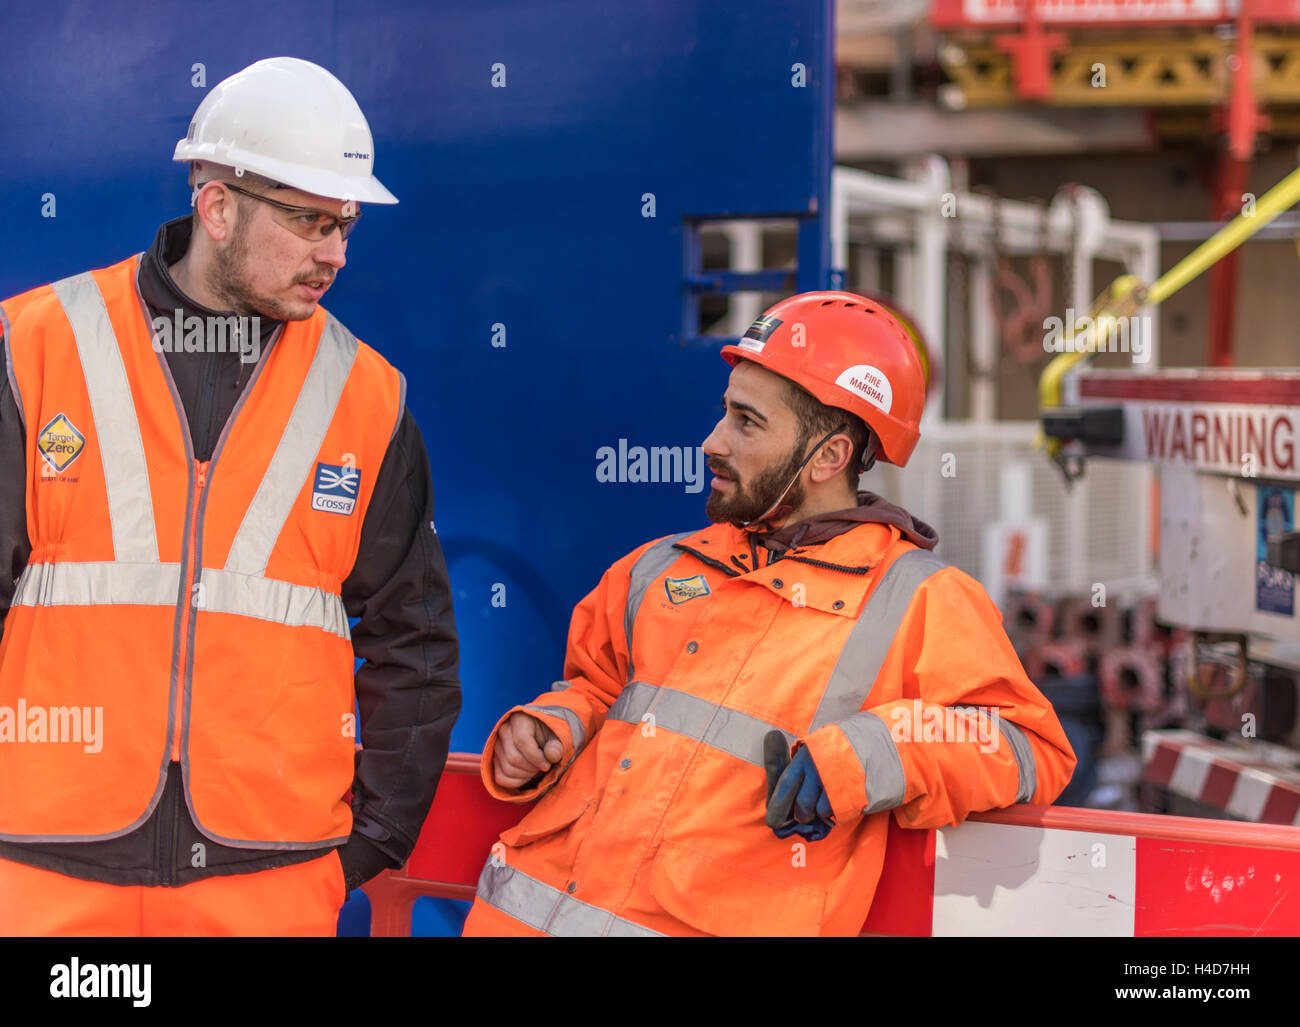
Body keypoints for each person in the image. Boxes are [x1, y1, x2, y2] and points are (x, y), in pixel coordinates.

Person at [0, 57, 461, 936]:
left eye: (347, 224)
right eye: (310, 221)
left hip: (270, 882)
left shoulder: (366, 395)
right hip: (37, 869)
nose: (336, 253)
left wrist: (363, 848)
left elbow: (417, 643)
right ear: (217, 207)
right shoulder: (37, 346)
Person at [461, 291, 1076, 937]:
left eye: (747, 422)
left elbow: (1026, 744)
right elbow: (597, 689)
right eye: (725, 412)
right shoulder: (658, 568)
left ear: (829, 457)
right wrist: (551, 728)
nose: (712, 441)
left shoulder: (921, 599)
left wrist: (871, 753)